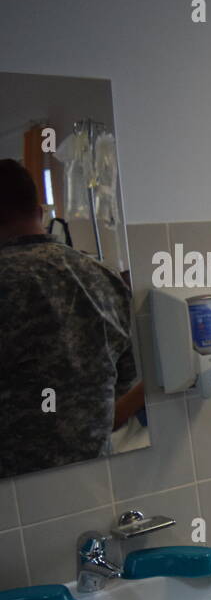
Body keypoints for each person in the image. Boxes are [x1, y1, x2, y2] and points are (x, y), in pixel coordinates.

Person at [0, 158, 136, 478]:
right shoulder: (104, 277)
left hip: (17, 492)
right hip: (99, 477)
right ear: (38, 209)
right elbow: (122, 386)